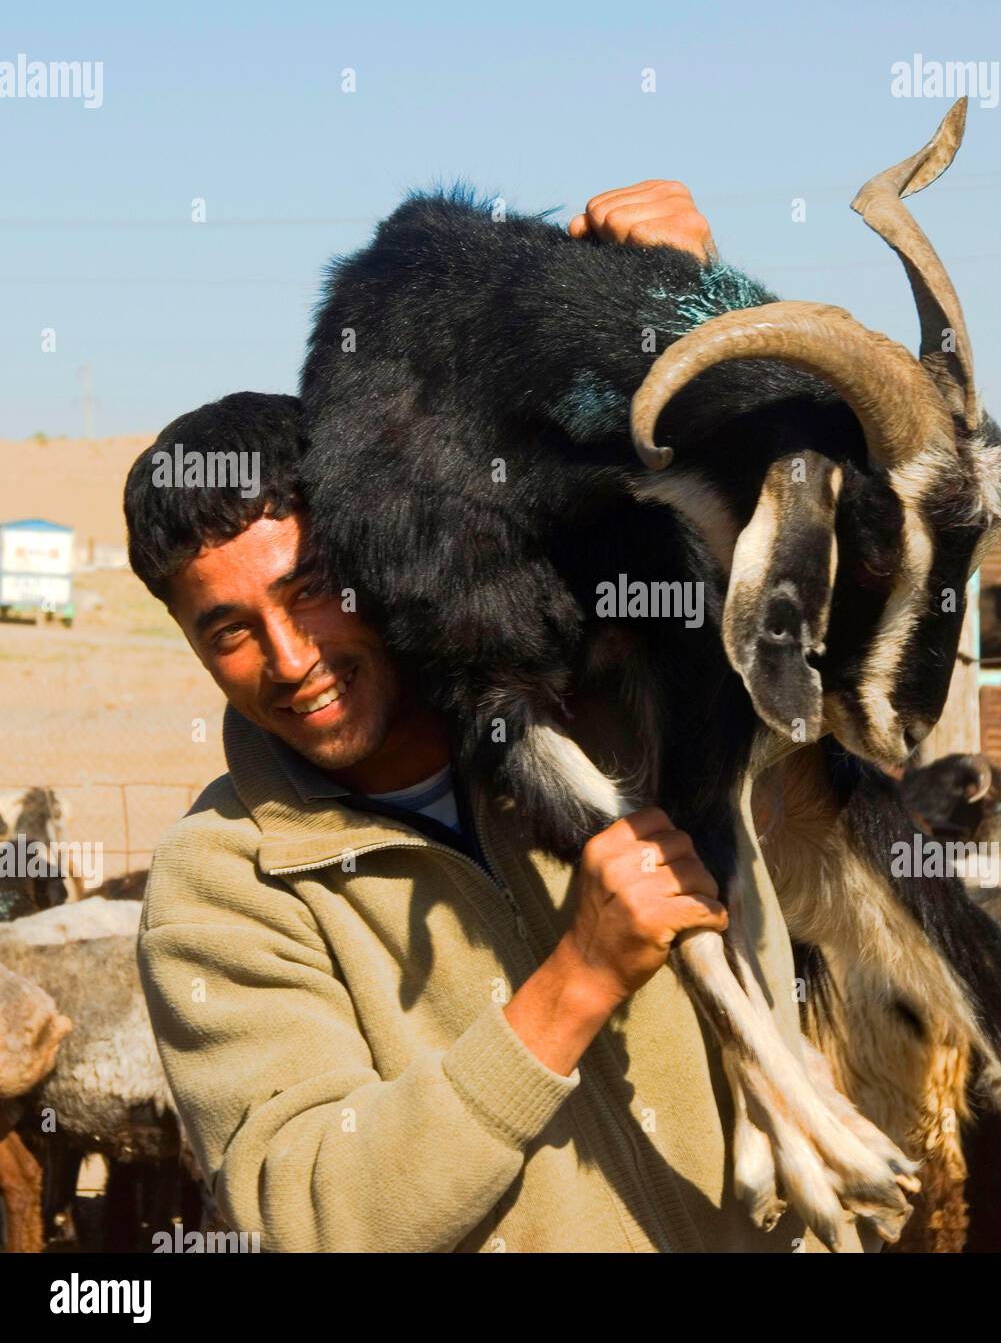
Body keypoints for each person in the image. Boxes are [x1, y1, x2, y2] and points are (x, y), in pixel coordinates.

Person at [128, 182, 844, 1254]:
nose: (291, 658)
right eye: (228, 630)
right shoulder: (222, 887)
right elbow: (319, 1213)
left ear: (376, 535)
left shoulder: (600, 699)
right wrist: (579, 978)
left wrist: (690, 314)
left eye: (313, 586)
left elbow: (806, 544)